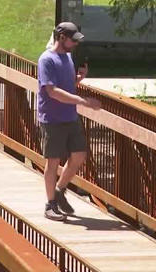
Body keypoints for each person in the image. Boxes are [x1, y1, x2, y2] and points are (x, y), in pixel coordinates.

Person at [38, 22, 101, 221]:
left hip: (70, 116)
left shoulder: (67, 58)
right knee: (53, 162)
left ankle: (60, 190)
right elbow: (52, 91)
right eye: (73, 40)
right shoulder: (46, 59)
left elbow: (66, 86)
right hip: (52, 119)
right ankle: (50, 204)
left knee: (79, 155)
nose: (75, 44)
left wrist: (78, 80)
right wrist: (83, 101)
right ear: (62, 37)